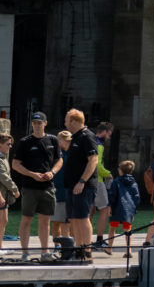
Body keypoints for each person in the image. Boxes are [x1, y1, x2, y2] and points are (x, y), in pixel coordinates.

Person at [13, 113, 62, 260]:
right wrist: (31, 174)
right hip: (29, 187)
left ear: (45, 123)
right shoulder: (24, 142)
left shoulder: (53, 140)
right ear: (32, 124)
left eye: (39, 122)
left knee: (45, 221)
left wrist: (52, 172)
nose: (37, 125)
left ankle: (44, 252)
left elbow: (59, 160)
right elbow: (15, 164)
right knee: (26, 219)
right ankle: (25, 252)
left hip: (47, 186)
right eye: (34, 123)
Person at [59, 110, 100, 257]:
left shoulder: (87, 136)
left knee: (83, 217)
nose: (65, 123)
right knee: (73, 218)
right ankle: (78, 246)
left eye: (67, 120)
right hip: (71, 185)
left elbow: (93, 160)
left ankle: (86, 249)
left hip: (84, 185)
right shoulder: (75, 137)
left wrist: (83, 181)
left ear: (74, 121)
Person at [106, 160, 140, 256]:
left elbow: (112, 195)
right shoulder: (134, 183)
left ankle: (109, 248)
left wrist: (110, 207)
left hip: (116, 208)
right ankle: (128, 251)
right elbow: (137, 198)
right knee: (127, 230)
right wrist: (134, 210)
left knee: (112, 229)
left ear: (121, 171)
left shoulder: (116, 181)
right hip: (129, 210)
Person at [90, 121, 115, 250]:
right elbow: (98, 166)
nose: (109, 137)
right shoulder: (99, 145)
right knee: (104, 209)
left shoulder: (90, 140)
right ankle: (99, 239)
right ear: (105, 132)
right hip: (98, 180)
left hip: (88, 180)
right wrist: (108, 174)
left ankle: (84, 238)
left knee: (91, 209)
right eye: (109, 134)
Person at [0, 134, 18, 249]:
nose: (10, 146)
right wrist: (15, 189)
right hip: (1, 195)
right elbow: (3, 177)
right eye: (8, 144)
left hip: (4, 195)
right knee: (2, 221)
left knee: (3, 221)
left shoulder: (3, 158)